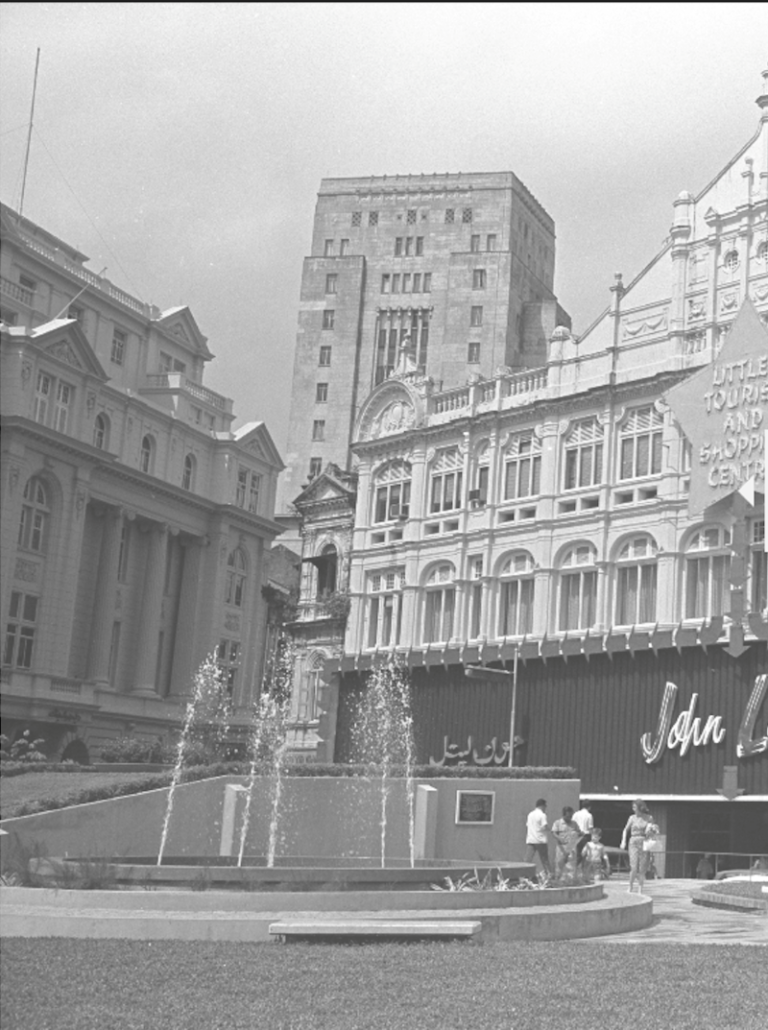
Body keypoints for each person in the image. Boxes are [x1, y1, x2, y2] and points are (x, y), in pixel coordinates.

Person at [620, 798, 658, 894]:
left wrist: (652, 830)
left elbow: (652, 830)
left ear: (640, 808)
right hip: (633, 841)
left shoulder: (649, 818)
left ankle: (640, 888)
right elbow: (625, 830)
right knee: (634, 866)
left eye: (635, 807)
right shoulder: (632, 818)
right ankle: (631, 886)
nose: (633, 809)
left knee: (643, 867)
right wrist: (623, 841)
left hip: (644, 841)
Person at [525, 798, 552, 878]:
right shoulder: (542, 815)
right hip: (541, 840)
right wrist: (551, 830)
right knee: (545, 860)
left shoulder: (530, 814)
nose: (545, 808)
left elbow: (528, 825)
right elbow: (544, 826)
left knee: (528, 860)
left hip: (531, 840)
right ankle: (549, 875)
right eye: (545, 806)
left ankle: (524, 875)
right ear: (542, 806)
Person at [551, 805, 580, 877]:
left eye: (571, 816)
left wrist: (577, 835)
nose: (569, 818)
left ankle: (570, 881)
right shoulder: (557, 823)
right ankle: (558, 879)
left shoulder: (574, 823)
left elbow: (579, 832)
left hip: (571, 848)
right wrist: (559, 838)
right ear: (563, 815)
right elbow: (553, 833)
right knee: (559, 865)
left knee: (571, 865)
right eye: (568, 816)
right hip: (561, 848)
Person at [572, 799, 594, 868]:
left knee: (577, 854)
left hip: (576, 836)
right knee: (585, 855)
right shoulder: (589, 815)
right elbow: (590, 828)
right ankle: (581, 872)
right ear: (589, 807)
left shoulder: (576, 814)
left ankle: (574, 871)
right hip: (585, 836)